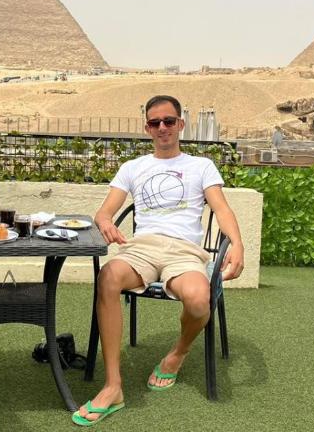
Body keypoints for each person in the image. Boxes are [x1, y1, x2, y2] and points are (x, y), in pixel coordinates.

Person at [74, 95, 245, 426]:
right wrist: (106, 223)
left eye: (169, 121)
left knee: (198, 300)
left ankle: (177, 353)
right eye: (155, 123)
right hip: (142, 248)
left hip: (185, 251)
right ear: (147, 128)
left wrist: (237, 244)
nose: (163, 128)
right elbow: (104, 211)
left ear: (181, 124)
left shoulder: (200, 166)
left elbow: (221, 210)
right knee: (108, 276)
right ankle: (113, 386)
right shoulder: (133, 168)